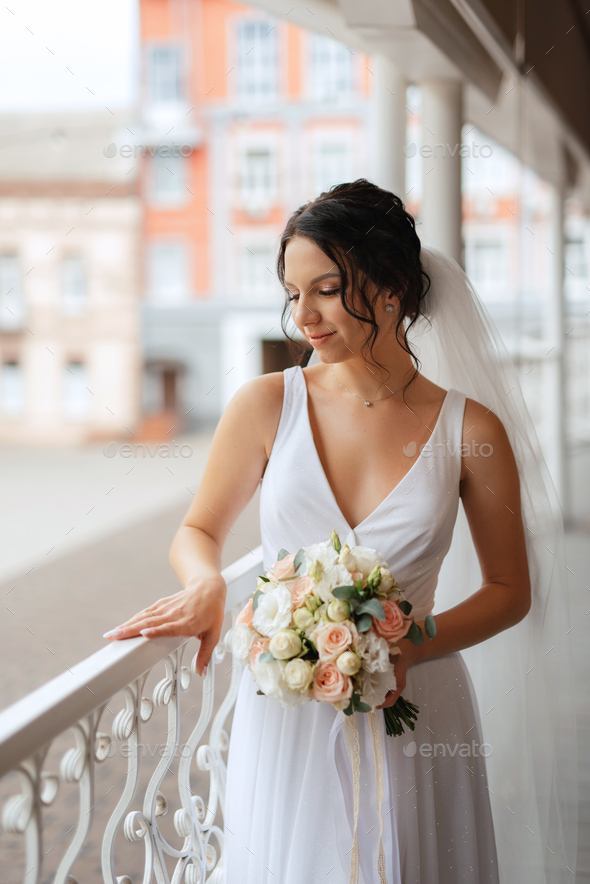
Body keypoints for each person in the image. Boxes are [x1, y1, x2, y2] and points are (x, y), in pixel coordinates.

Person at [104, 180, 577, 884]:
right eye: (294, 294)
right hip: (286, 706)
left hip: (415, 704)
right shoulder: (267, 404)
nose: (305, 318)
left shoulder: (471, 430)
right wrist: (205, 582)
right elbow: (198, 528)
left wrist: (411, 645)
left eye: (325, 289)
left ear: (390, 286)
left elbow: (511, 590)